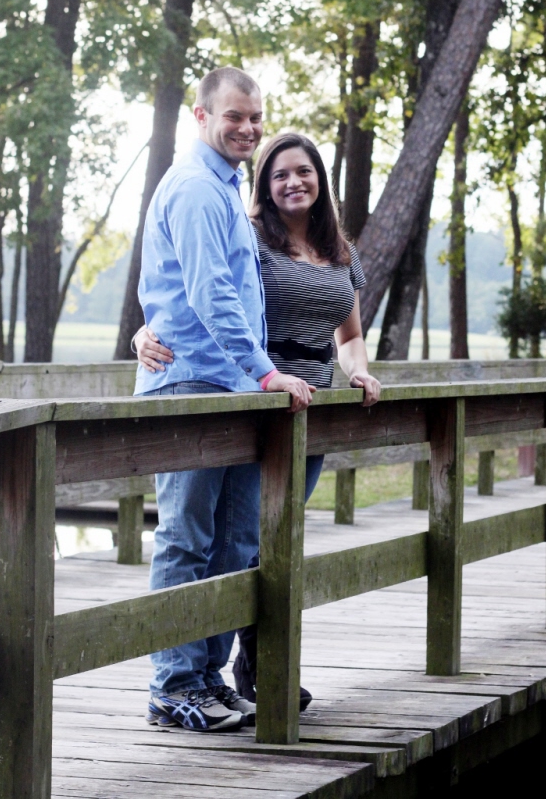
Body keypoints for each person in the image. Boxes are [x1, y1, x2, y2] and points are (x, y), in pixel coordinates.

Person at [137, 130, 381, 711]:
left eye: (303, 171)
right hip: (256, 394)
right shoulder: (247, 237)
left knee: (259, 540)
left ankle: (237, 669)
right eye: (279, 174)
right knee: (211, 537)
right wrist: (147, 332)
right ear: (263, 188)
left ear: (320, 179)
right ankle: (188, 677)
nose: (293, 182)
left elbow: (348, 335)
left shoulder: (338, 250)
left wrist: (359, 373)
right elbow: (201, 288)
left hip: (310, 405)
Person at [135, 66, 314, 734]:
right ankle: (172, 687)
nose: (247, 127)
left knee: (231, 544)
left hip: (231, 388)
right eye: (234, 115)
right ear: (201, 116)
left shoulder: (224, 190)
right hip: (194, 387)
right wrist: (267, 374)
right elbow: (207, 296)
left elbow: (186, 285)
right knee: (185, 540)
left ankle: (208, 680)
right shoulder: (192, 189)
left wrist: (254, 379)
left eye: (255, 117)